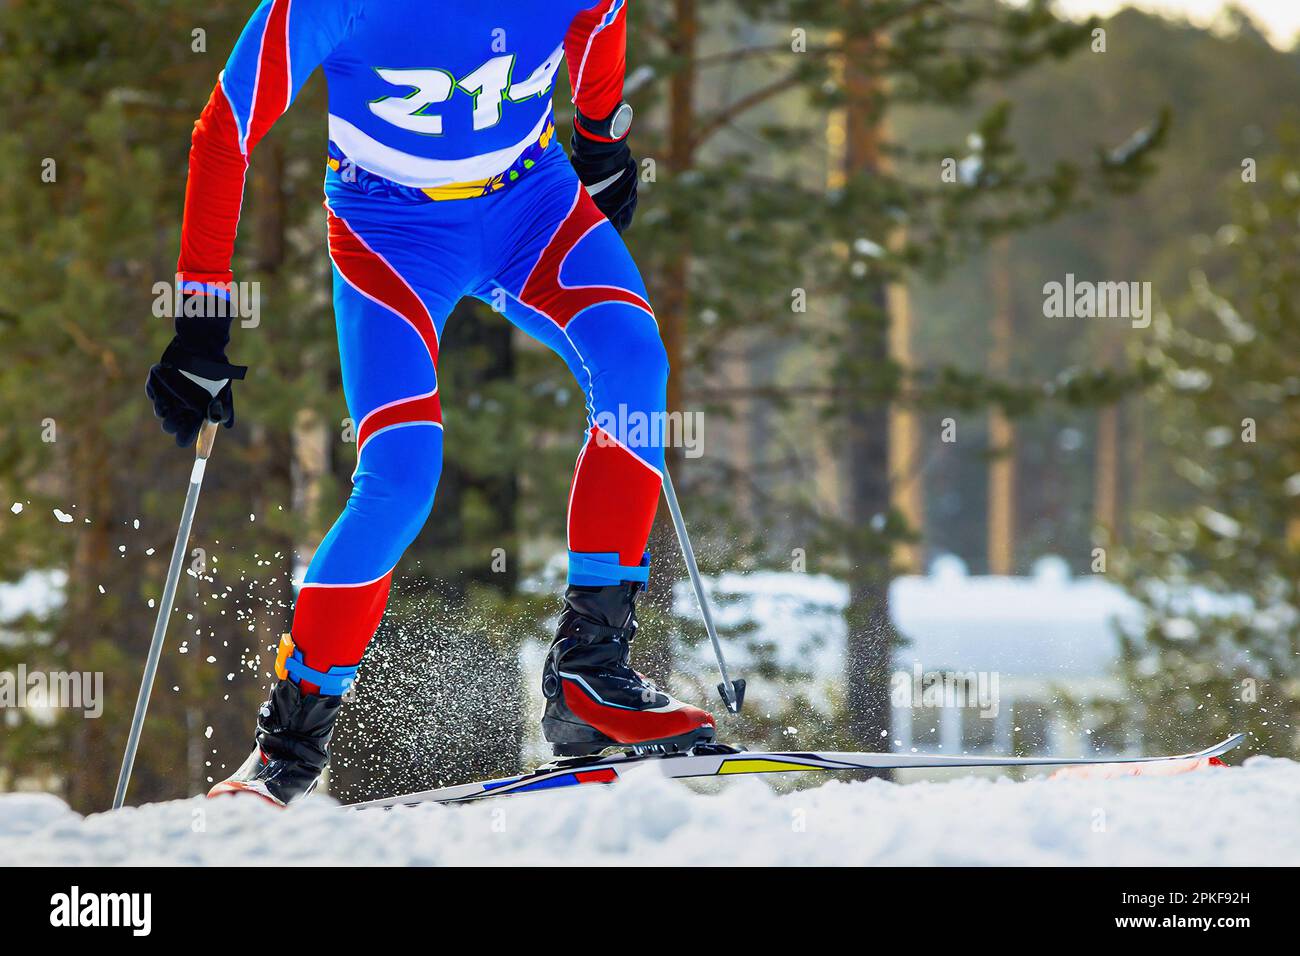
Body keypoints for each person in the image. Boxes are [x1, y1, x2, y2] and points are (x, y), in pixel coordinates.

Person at [146, 0, 715, 806]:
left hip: (532, 203)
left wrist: (600, 134)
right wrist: (200, 316)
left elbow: (598, 18)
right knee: (402, 479)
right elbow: (226, 130)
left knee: (633, 364)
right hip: (391, 234)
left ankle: (591, 675)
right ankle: (284, 753)